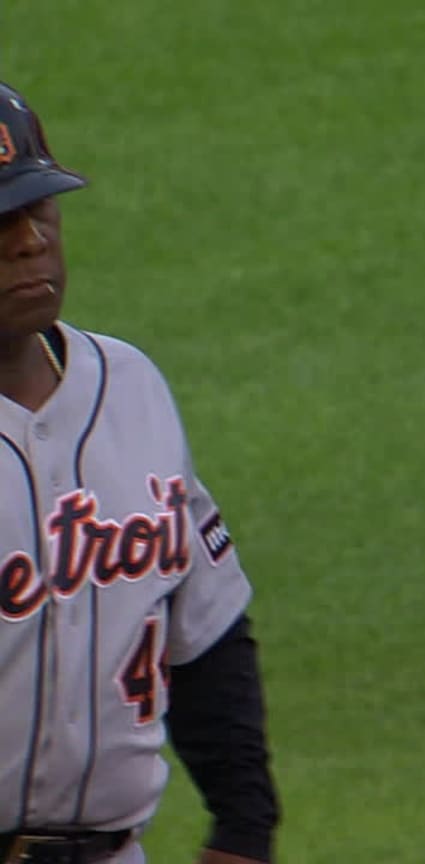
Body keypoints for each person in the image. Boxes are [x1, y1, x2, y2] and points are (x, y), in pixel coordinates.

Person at [0, 82, 279, 862]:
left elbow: (206, 627)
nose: (29, 243)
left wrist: (243, 824)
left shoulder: (131, 388)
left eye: (39, 211)